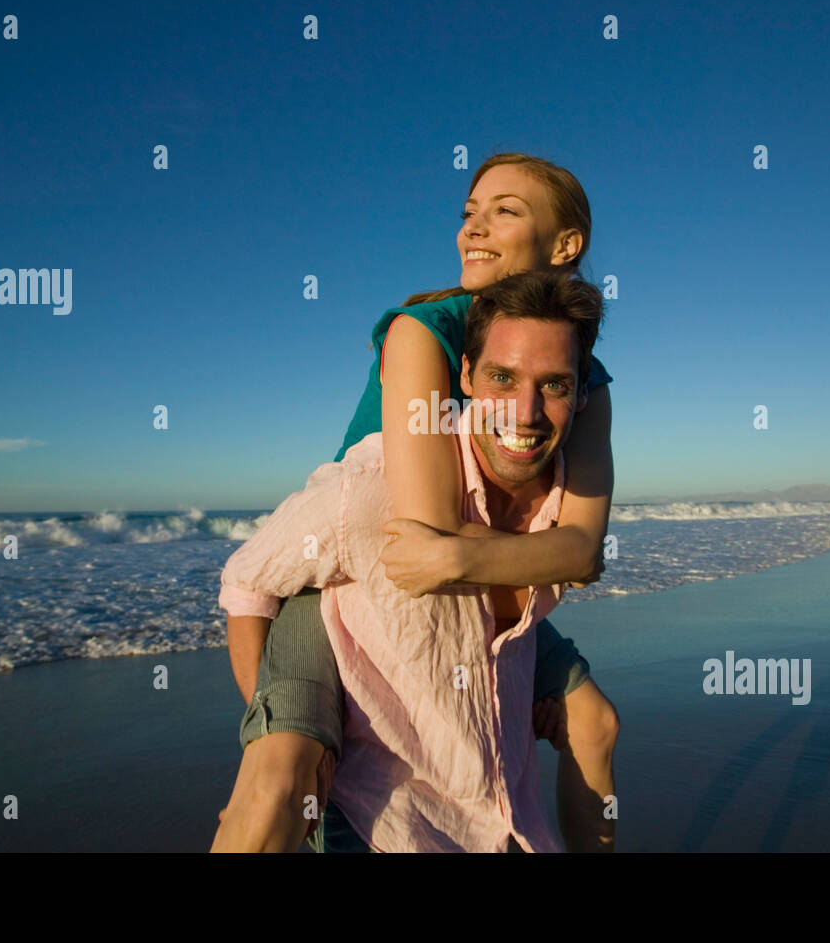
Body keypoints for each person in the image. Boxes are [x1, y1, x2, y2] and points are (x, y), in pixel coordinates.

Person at [220, 153, 619, 852]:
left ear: (565, 246)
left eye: (504, 210)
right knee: (286, 769)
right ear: (472, 371)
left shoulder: (580, 366)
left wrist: (470, 554)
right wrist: (275, 707)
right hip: (345, 567)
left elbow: (581, 547)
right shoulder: (427, 329)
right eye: (470, 212)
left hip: (470, 566)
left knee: (594, 721)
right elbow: (423, 536)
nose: (474, 226)